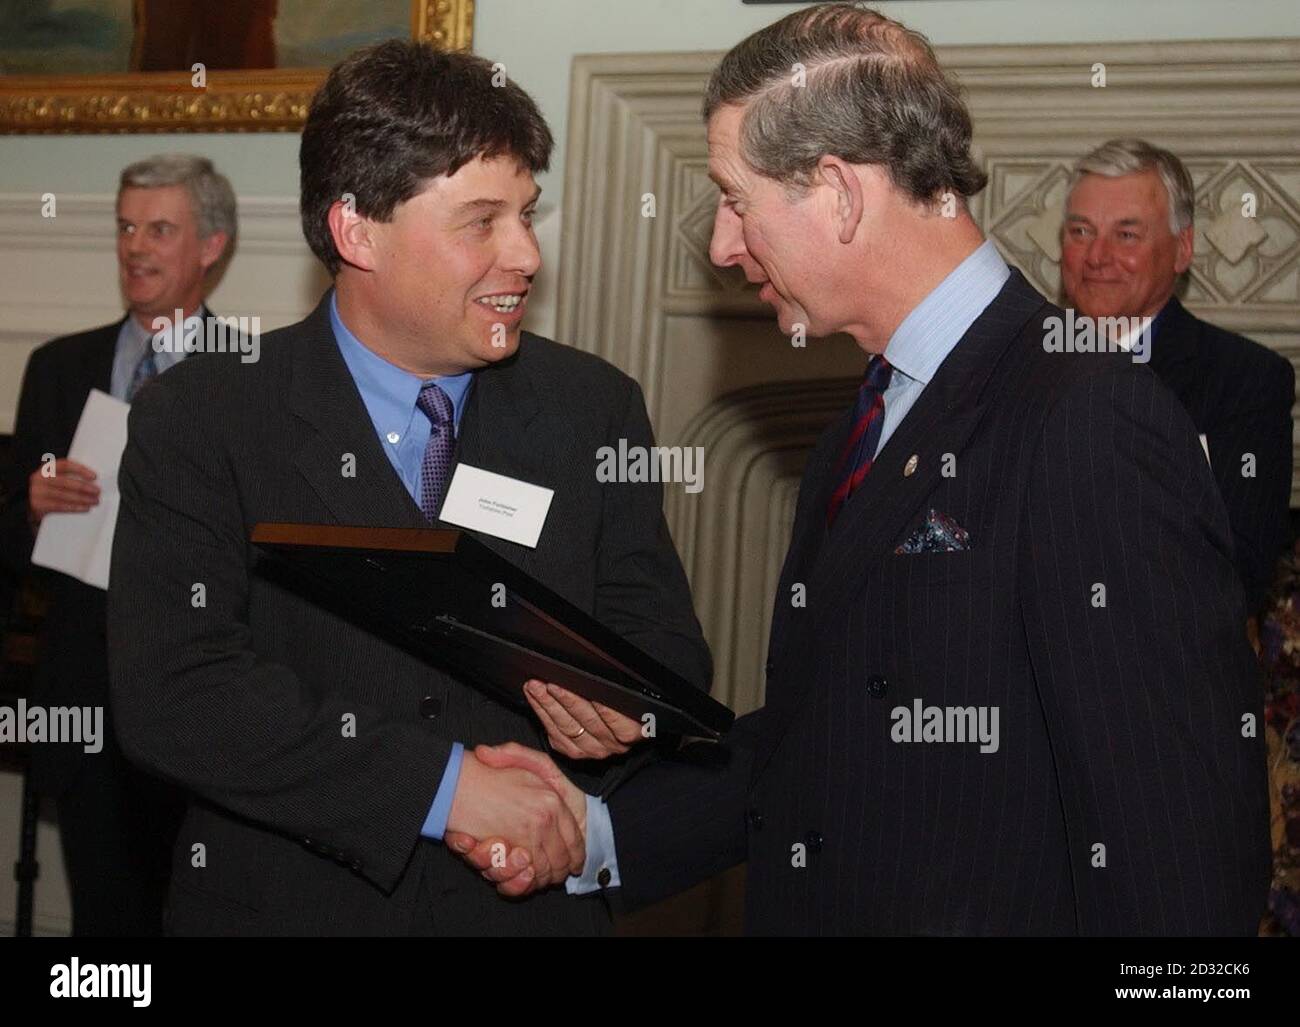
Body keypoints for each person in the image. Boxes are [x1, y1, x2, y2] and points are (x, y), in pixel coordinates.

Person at [455, 2, 1271, 936]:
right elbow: (826, 736)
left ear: (839, 193)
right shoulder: (869, 415)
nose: (723, 245)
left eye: (734, 197)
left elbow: (1180, 843)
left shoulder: (1087, 414)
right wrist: (596, 830)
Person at [106, 40, 709, 936]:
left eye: (528, 215)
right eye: (482, 221)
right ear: (357, 231)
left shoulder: (593, 407)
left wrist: (621, 714)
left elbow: (666, 650)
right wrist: (444, 788)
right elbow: (177, 690)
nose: (526, 255)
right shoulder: (204, 414)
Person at [0, 154, 235, 935]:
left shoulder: (250, 375)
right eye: (126, 227)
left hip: (206, 706)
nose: (135, 247)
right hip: (85, 706)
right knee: (105, 930)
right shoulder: (57, 368)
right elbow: (9, 540)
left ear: (212, 245)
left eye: (160, 228)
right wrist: (29, 505)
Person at [1061, 138, 1294, 616]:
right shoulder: (1014, 367)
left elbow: (1238, 573)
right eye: (1080, 231)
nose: (1096, 257)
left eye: (1126, 235)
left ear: (1181, 249)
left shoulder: (1245, 381)